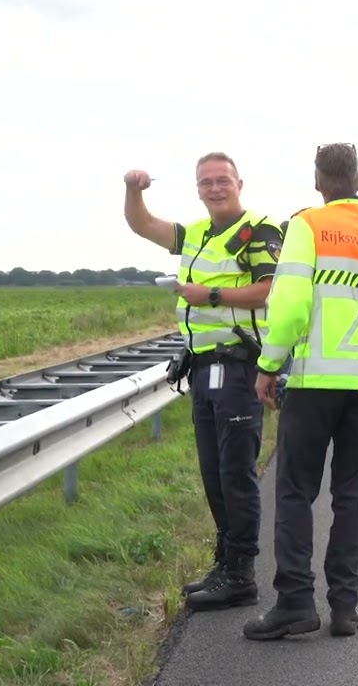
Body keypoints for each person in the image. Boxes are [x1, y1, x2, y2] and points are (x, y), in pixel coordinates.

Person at [243, 143, 358, 641]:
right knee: (350, 494)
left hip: (313, 381)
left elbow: (289, 306)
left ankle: (295, 603)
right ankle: (345, 607)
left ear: (318, 183)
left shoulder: (306, 226)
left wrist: (268, 364)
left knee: (295, 492)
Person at [121, 153, 284, 612]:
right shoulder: (196, 233)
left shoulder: (259, 231)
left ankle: (241, 575)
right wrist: (133, 189)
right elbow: (142, 225)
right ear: (197, 190)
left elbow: (271, 289)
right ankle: (225, 562)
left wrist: (209, 294)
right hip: (202, 366)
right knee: (214, 474)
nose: (215, 188)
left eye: (222, 180)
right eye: (206, 182)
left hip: (238, 366)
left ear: (239, 183)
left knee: (236, 473)